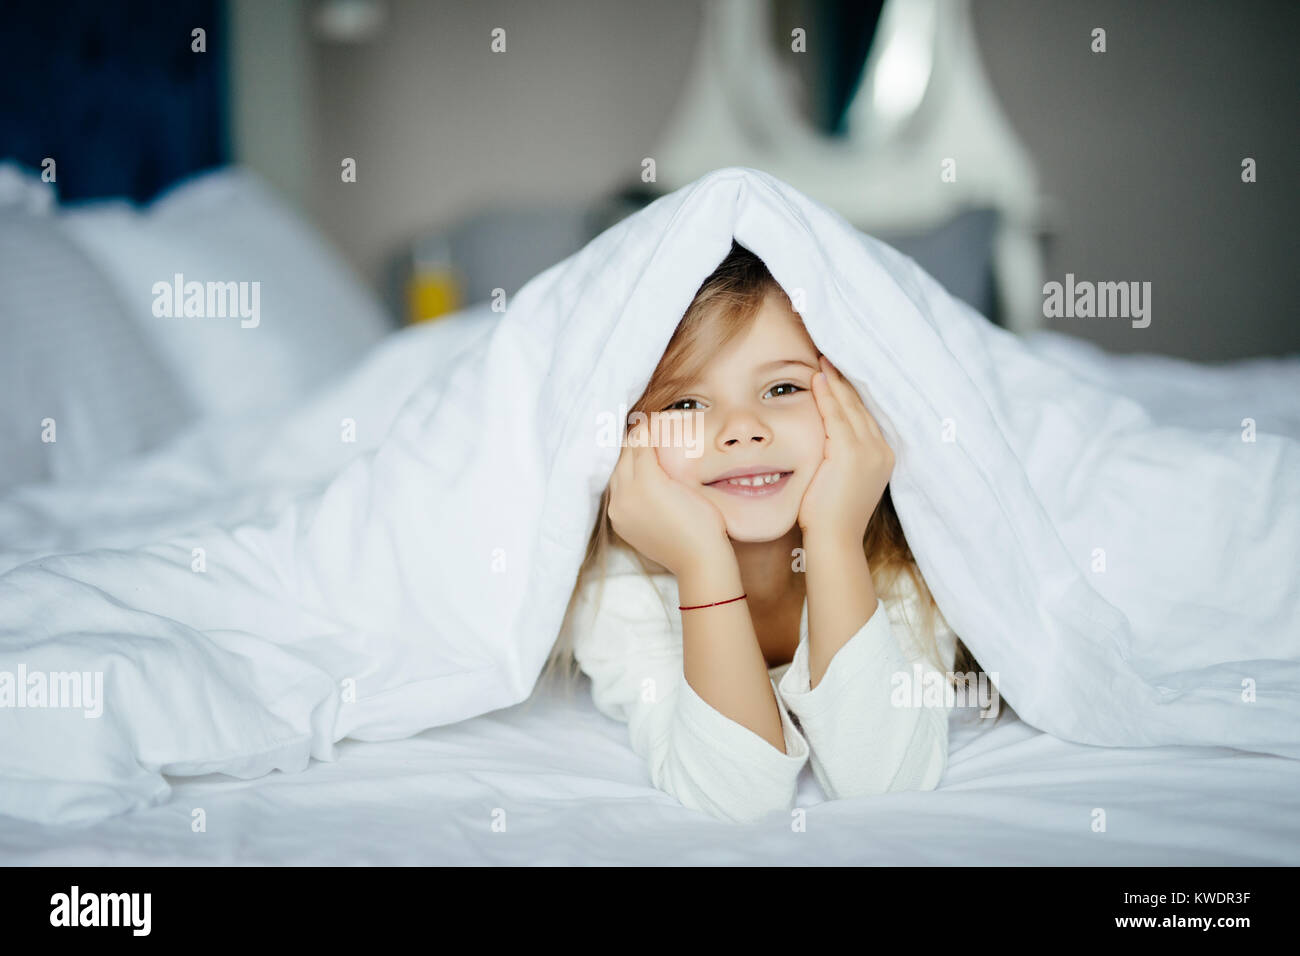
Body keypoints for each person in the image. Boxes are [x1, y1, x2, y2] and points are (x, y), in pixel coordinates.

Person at [538, 239, 999, 824]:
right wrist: (702, 563)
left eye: (782, 389)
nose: (742, 430)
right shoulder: (622, 588)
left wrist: (833, 540)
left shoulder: (898, 558)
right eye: (685, 403)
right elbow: (737, 796)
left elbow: (887, 781)